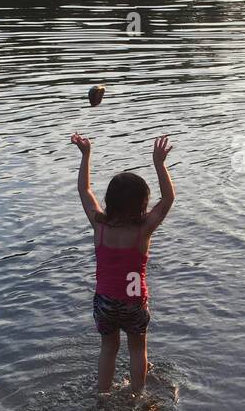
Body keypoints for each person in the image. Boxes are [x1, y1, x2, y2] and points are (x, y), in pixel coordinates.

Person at [71, 133, 175, 394]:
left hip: (105, 300)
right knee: (138, 348)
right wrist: (159, 164)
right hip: (133, 299)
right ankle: (137, 395)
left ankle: (103, 393)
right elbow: (168, 200)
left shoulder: (100, 225)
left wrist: (86, 155)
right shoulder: (144, 230)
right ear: (142, 202)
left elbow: (84, 190)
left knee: (108, 347)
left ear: (110, 200)